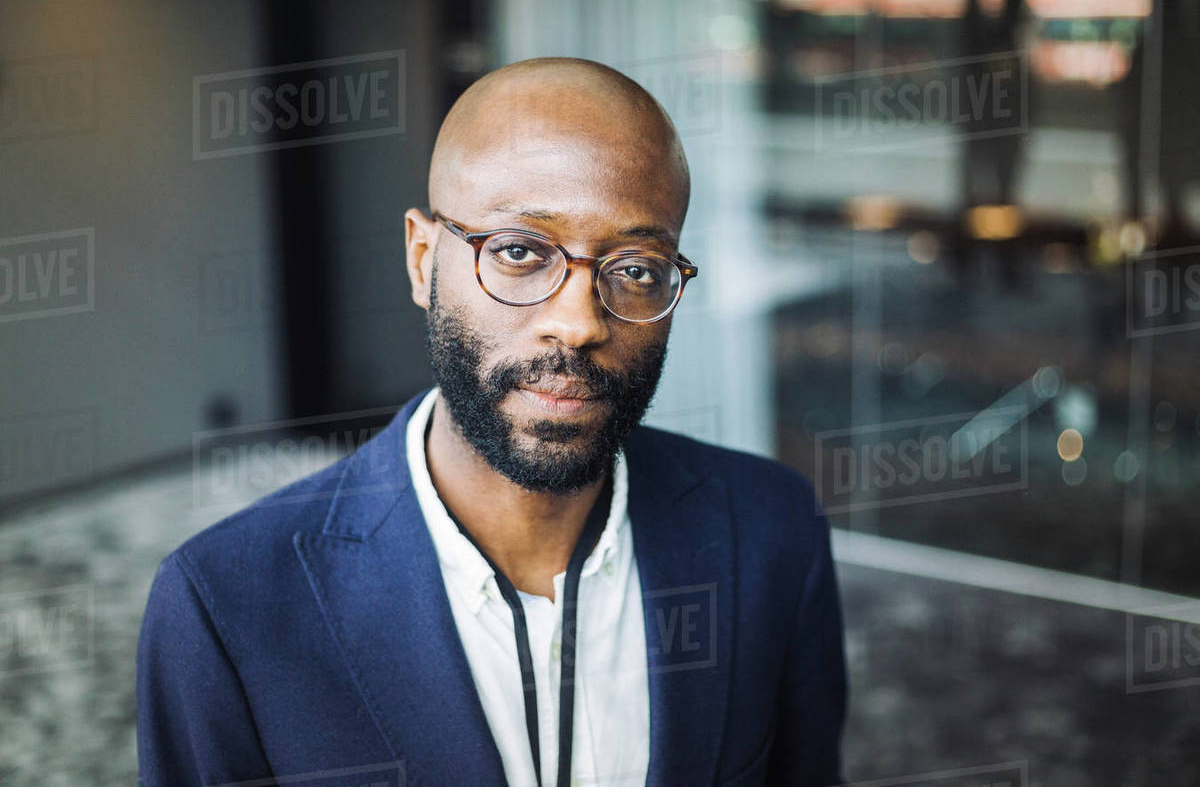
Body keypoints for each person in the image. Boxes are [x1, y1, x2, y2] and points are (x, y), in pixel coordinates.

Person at [137, 57, 846, 787]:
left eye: (635, 268)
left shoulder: (772, 529)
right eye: (518, 252)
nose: (577, 324)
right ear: (422, 260)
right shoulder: (225, 604)